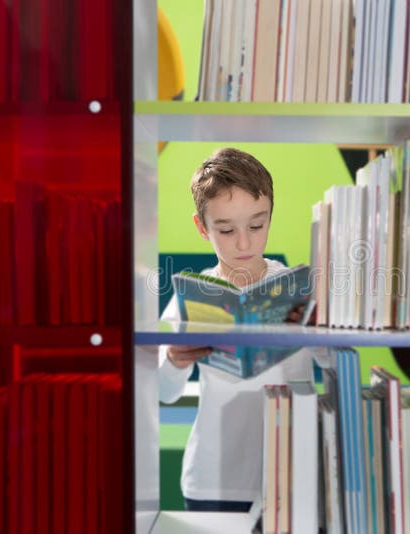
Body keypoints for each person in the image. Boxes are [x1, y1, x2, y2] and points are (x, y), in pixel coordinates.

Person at [158, 147, 324, 513]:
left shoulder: (297, 288)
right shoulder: (192, 295)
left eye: (256, 226)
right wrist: (173, 359)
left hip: (289, 474)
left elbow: (334, 368)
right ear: (202, 227)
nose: (244, 243)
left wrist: (318, 335)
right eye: (226, 229)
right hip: (212, 480)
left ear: (270, 216)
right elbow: (164, 393)